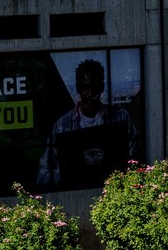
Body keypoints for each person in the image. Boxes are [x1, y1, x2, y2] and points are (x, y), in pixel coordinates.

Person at [37, 58, 137, 189]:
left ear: (102, 88)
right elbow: (43, 173)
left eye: (95, 87)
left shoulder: (121, 117)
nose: (90, 93)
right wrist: (68, 176)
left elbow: (135, 160)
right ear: (78, 88)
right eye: (85, 88)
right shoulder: (62, 125)